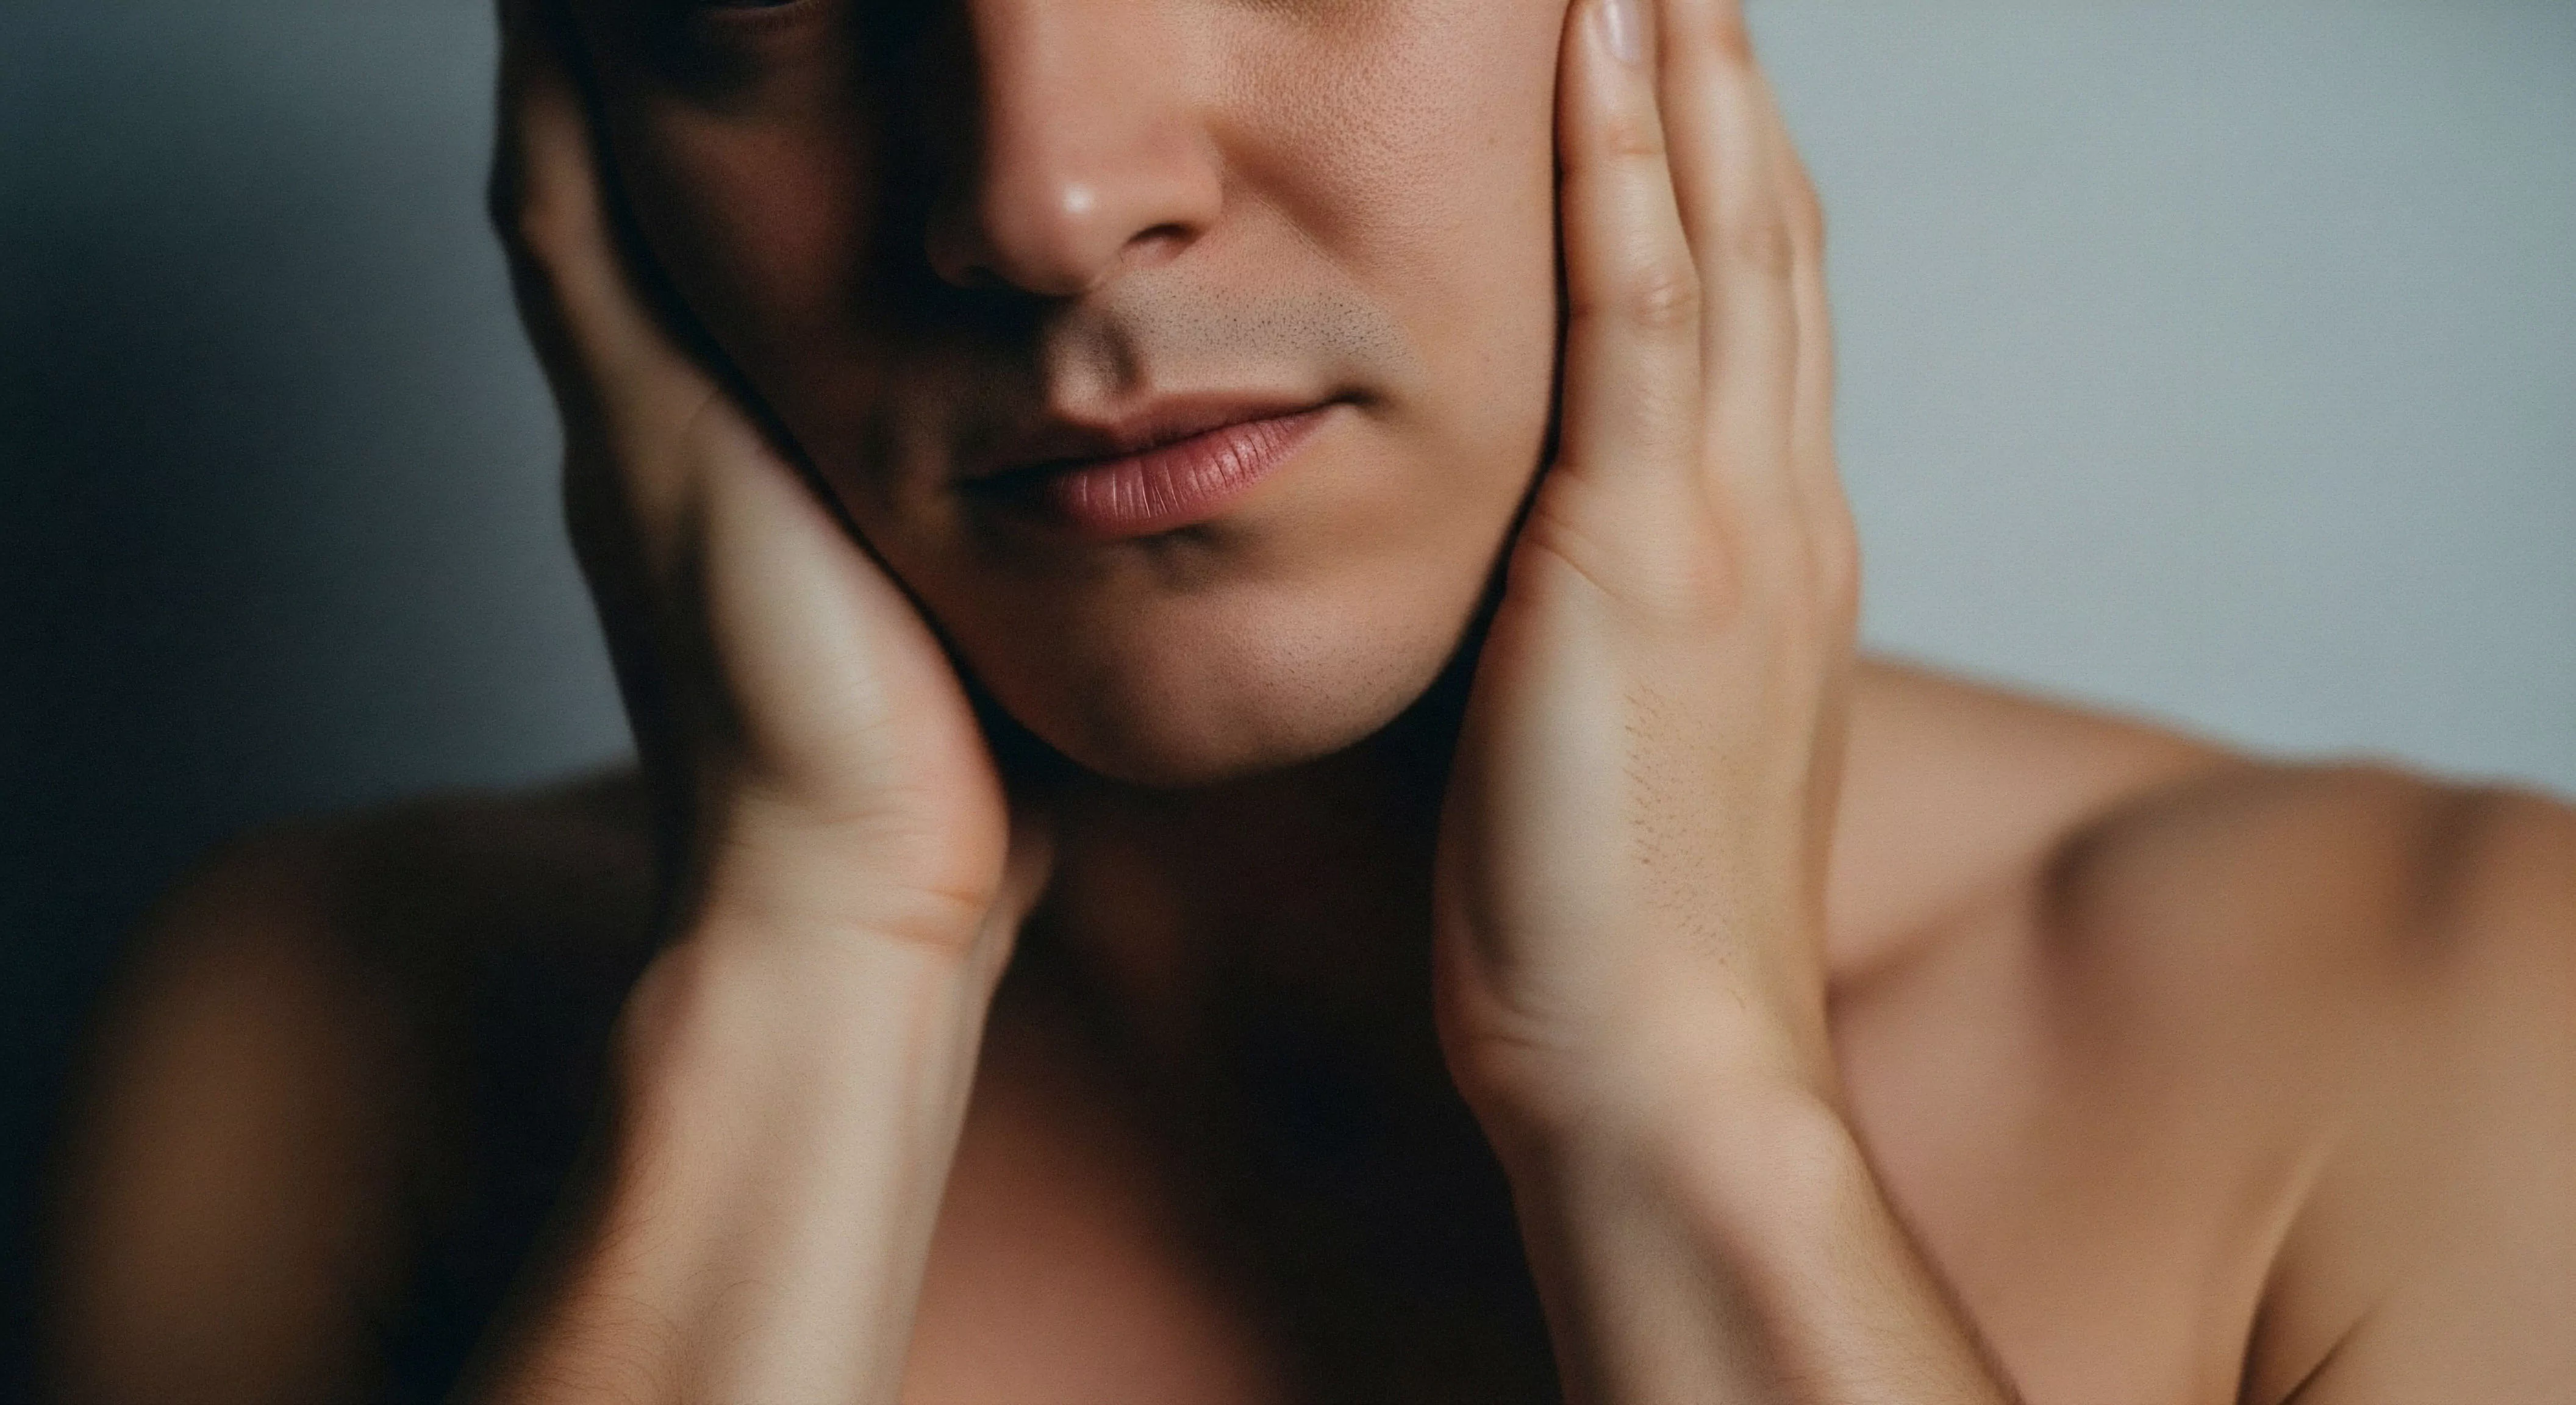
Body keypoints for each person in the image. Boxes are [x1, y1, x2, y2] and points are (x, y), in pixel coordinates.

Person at [35, 0, 2574, 1400]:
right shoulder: (323, 1044)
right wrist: (814, 990)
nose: (1043, 187)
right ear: (577, 136)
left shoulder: (2453, 1025)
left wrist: (1682, 1110)